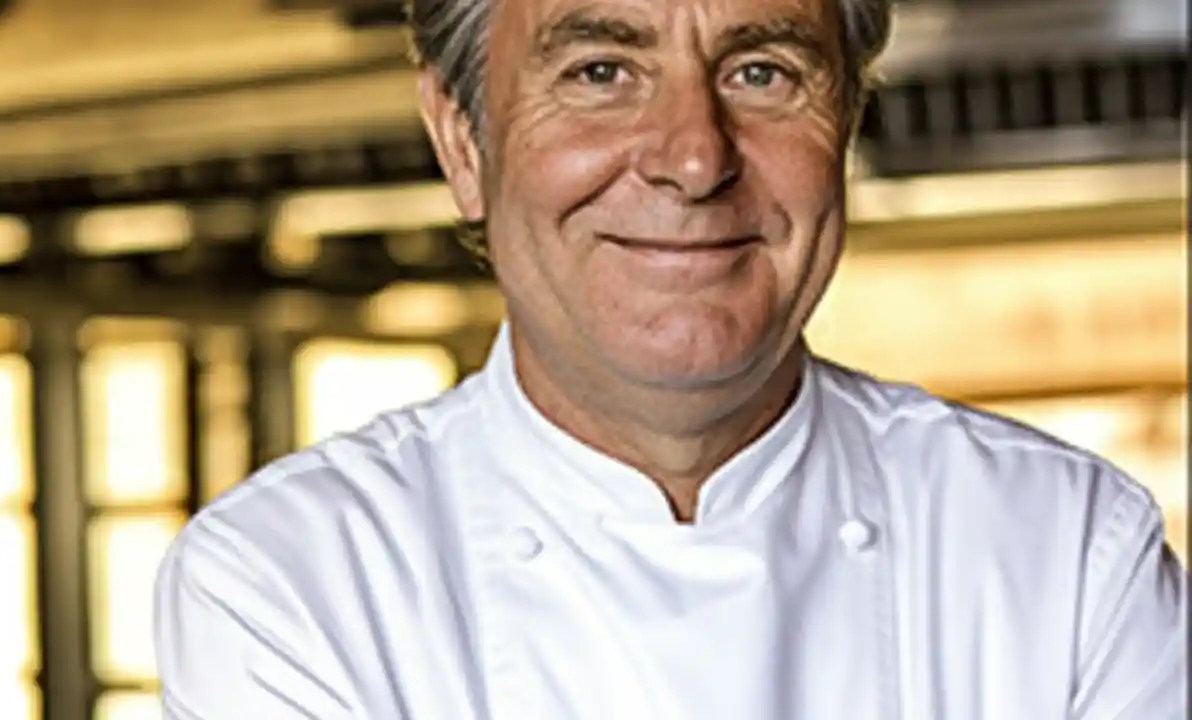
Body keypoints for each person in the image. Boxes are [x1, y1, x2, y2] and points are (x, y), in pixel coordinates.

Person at [154, 0, 1187, 717]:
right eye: (601, 71)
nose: (693, 157)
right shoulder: (293, 575)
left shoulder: (1062, 550)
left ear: (847, 124)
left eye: (761, 70)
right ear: (461, 141)